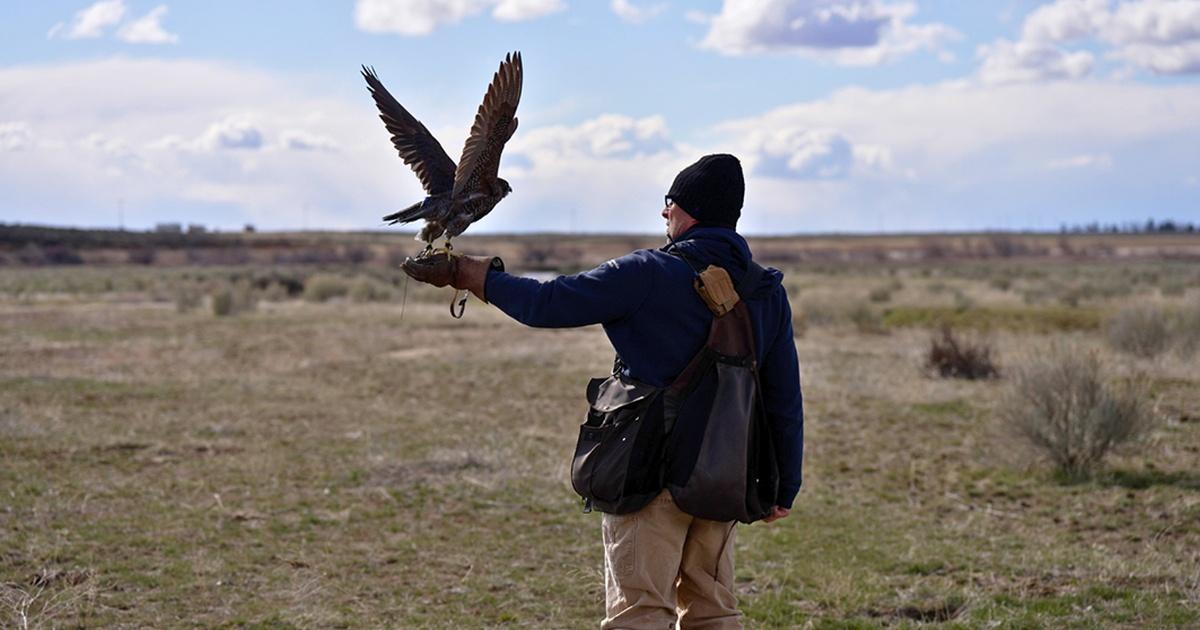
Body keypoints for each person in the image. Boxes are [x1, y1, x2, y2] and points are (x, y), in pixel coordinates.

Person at [403, 154, 803, 629]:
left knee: (640, 614)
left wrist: (471, 274)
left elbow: (547, 303)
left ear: (689, 212)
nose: (664, 212)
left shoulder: (647, 272)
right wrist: (784, 485)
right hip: (723, 476)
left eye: (670, 202)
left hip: (649, 476)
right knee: (713, 612)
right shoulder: (765, 289)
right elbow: (783, 397)